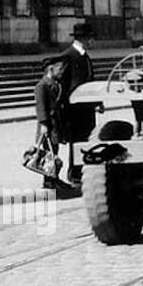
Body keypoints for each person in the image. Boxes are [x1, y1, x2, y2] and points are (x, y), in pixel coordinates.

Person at [32, 22, 98, 191]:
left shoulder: (84, 55)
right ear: (83, 39)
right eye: (91, 38)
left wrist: (97, 101)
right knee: (71, 144)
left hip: (86, 108)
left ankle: (66, 176)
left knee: (81, 142)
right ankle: (62, 177)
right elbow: (63, 86)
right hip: (75, 111)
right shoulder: (68, 56)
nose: (93, 41)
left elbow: (88, 81)